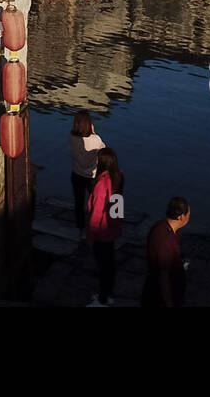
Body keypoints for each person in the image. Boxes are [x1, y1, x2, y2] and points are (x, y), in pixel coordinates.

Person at [86, 147, 124, 306]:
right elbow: (118, 205)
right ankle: (107, 294)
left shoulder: (102, 184)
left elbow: (96, 213)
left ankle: (101, 299)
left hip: (101, 231)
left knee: (103, 266)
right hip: (111, 228)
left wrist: (90, 235)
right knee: (110, 264)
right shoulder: (119, 178)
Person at [142, 197, 190, 307]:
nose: (188, 218)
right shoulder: (166, 240)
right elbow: (163, 275)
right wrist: (168, 302)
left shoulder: (160, 226)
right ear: (181, 217)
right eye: (188, 215)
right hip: (159, 295)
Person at [68, 111, 105, 230]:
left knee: (79, 202)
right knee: (94, 203)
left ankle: (80, 226)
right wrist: (93, 133)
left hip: (77, 174)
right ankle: (94, 225)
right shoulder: (95, 139)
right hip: (92, 177)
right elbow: (103, 152)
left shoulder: (72, 137)